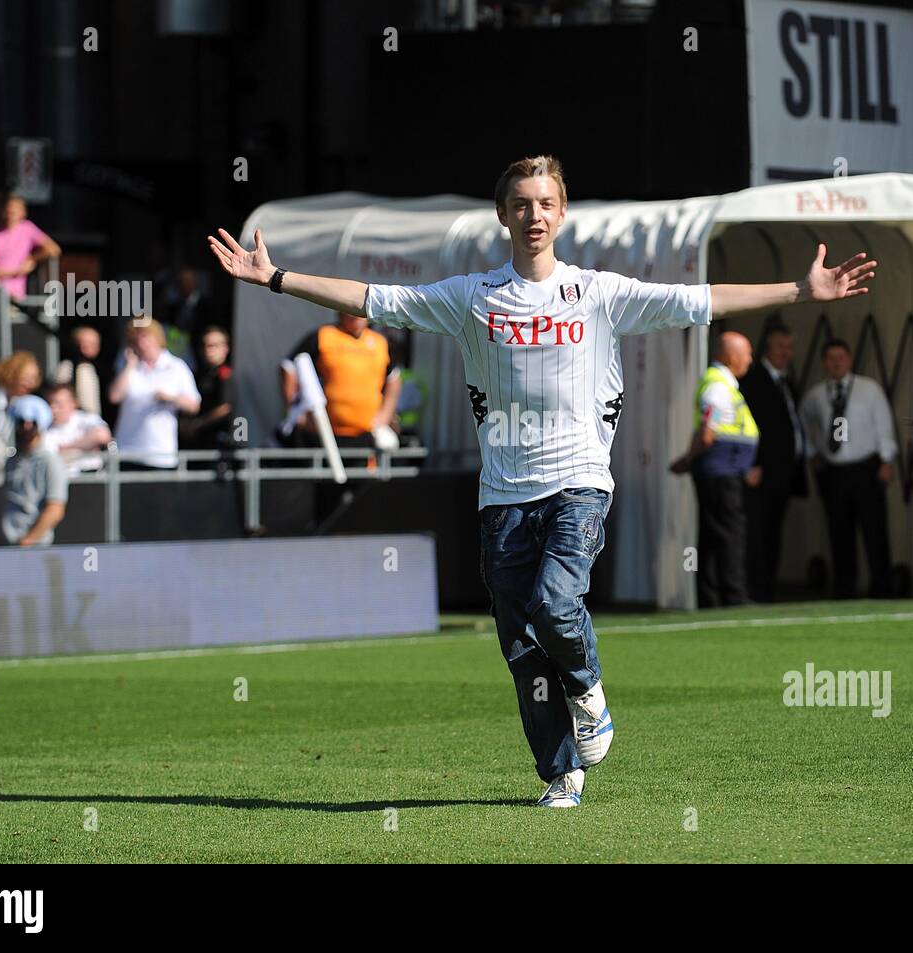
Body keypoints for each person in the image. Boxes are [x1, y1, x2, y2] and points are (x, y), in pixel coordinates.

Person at [207, 153, 876, 808]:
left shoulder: (599, 293)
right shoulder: (471, 296)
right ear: (503, 213)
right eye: (522, 203)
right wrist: (275, 278)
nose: (534, 214)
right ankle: (561, 774)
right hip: (502, 500)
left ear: (562, 212)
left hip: (578, 485)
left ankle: (589, 694)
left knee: (557, 603)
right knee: (523, 651)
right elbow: (376, 298)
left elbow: (699, 300)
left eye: (546, 203)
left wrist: (800, 289)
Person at [800, 338, 896, 599]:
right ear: (824, 363)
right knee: (839, 532)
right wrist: (812, 454)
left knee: (874, 530)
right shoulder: (816, 395)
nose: (837, 362)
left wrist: (887, 460)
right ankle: (845, 588)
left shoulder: (869, 389)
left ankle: (882, 588)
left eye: (841, 357)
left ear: (850, 359)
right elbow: (802, 422)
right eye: (831, 358)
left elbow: (884, 424)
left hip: (866, 467)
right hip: (835, 471)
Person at [669, 331, 758, 608]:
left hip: (722, 469)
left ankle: (711, 596)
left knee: (711, 534)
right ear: (732, 356)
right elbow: (709, 432)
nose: (750, 360)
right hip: (720, 472)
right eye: (747, 354)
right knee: (729, 532)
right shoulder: (718, 386)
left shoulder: (722, 384)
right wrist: (689, 459)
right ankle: (733, 595)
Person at [738, 321, 807, 602]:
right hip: (761, 474)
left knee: (774, 532)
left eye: (789, 347)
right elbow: (751, 426)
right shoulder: (753, 381)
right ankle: (757, 590)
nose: (785, 352)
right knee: (759, 533)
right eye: (780, 346)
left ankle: (768, 587)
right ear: (766, 348)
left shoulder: (787, 381)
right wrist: (753, 464)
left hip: (783, 474)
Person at [280, 311, 397, 450]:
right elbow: (288, 366)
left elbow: (394, 378)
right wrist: (296, 411)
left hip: (366, 435)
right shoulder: (324, 336)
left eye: (361, 311)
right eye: (350, 311)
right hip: (325, 433)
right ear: (339, 312)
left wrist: (385, 415)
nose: (356, 316)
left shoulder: (380, 342)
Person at [109, 317, 200, 469]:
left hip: (160, 452)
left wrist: (170, 398)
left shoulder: (176, 367)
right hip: (127, 451)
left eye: (145, 337)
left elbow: (194, 405)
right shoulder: (130, 367)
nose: (141, 343)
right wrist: (130, 365)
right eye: (135, 339)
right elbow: (114, 396)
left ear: (158, 338)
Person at [2, 394, 67, 547]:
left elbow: (55, 509)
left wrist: (28, 541)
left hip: (35, 548)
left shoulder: (51, 462)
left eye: (32, 423)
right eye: (21, 422)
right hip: (8, 545)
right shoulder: (11, 461)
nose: (26, 428)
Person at [0, 194, 61, 301]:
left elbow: (53, 249)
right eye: (8, 211)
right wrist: (17, 271)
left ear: (23, 213)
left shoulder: (27, 229)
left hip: (15, 297)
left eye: (14, 212)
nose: (10, 215)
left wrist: (32, 258)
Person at [179, 326, 236, 451]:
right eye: (204, 345)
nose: (207, 350)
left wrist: (198, 424)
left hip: (217, 441)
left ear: (225, 348)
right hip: (195, 441)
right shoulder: (196, 374)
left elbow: (226, 408)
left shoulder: (225, 375)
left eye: (213, 346)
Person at [43, 383, 111, 474]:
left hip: (91, 476)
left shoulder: (87, 419)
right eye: (50, 403)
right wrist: (86, 446)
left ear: (74, 403)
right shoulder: (45, 428)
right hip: (63, 479)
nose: (54, 409)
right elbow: (50, 457)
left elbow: (102, 436)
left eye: (59, 404)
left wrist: (66, 448)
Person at [54, 324, 108, 418]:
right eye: (81, 343)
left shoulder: (99, 368)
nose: (85, 347)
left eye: (91, 344)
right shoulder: (67, 367)